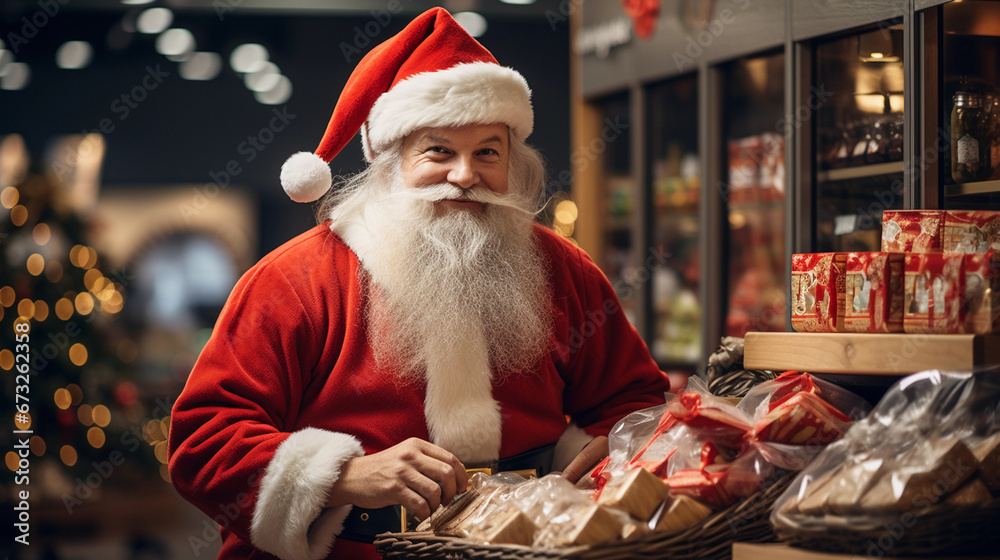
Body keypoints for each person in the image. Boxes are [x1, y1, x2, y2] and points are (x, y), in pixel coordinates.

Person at [168, 8, 670, 560]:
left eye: (487, 152)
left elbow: (636, 401)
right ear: (390, 161)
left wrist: (610, 450)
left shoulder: (562, 269)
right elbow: (203, 441)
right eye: (439, 151)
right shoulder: (293, 280)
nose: (465, 174)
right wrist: (346, 476)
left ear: (512, 162)